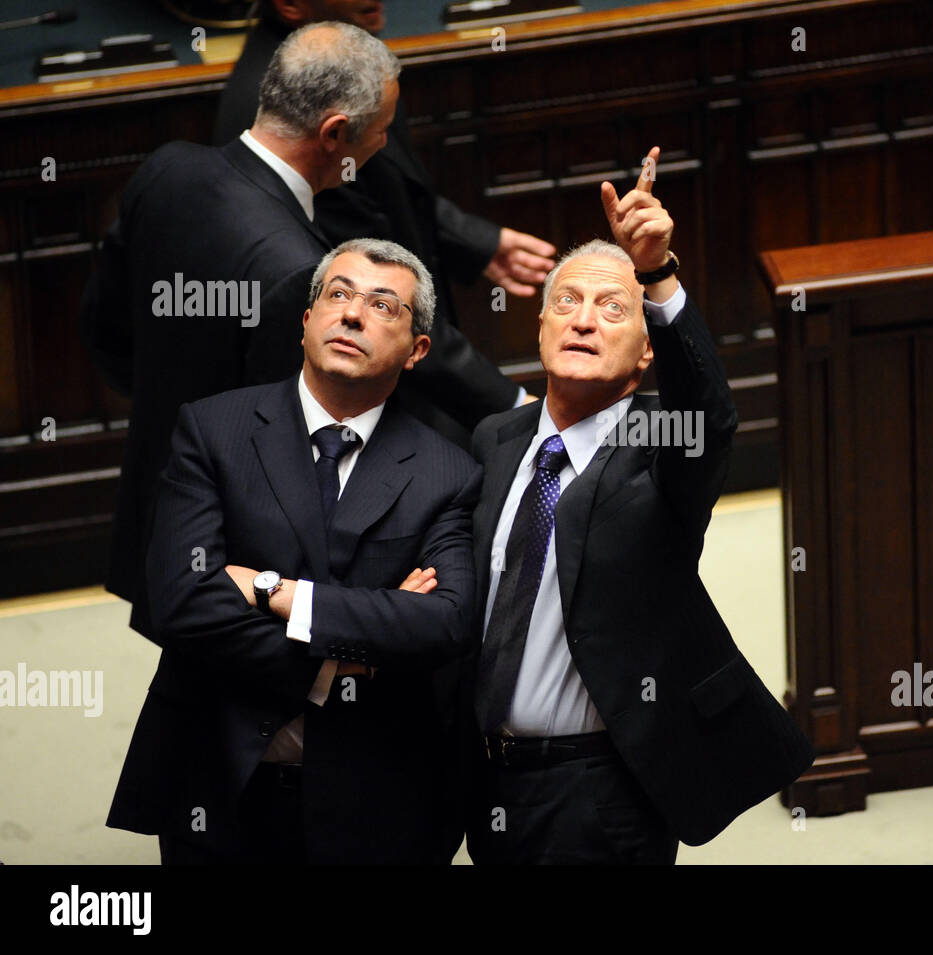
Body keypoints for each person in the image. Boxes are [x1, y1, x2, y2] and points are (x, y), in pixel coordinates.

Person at [466, 147, 814, 864]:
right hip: (489, 782)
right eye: (566, 302)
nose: (584, 320)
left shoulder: (664, 442)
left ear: (647, 347)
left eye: (612, 307)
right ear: (539, 327)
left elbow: (711, 414)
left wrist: (656, 274)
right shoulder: (495, 440)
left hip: (603, 788)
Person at [107, 238, 482, 864]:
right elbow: (180, 601)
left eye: (384, 306)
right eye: (337, 294)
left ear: (417, 350)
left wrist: (271, 592)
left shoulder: (447, 471)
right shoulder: (213, 430)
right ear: (307, 320)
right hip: (221, 787)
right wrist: (341, 663)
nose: (354, 314)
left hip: (377, 804)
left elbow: (444, 621)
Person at [81, 21, 400, 642]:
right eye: (383, 129)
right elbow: (288, 467)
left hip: (157, 520)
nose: (385, 143)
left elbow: (102, 326)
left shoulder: (166, 171)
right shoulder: (295, 274)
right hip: (235, 576)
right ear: (336, 134)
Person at [213, 0, 557, 439]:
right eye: (376, 132)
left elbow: (384, 189)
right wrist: (510, 406)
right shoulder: (309, 114)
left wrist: (473, 240)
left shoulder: (337, 54)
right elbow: (381, 292)